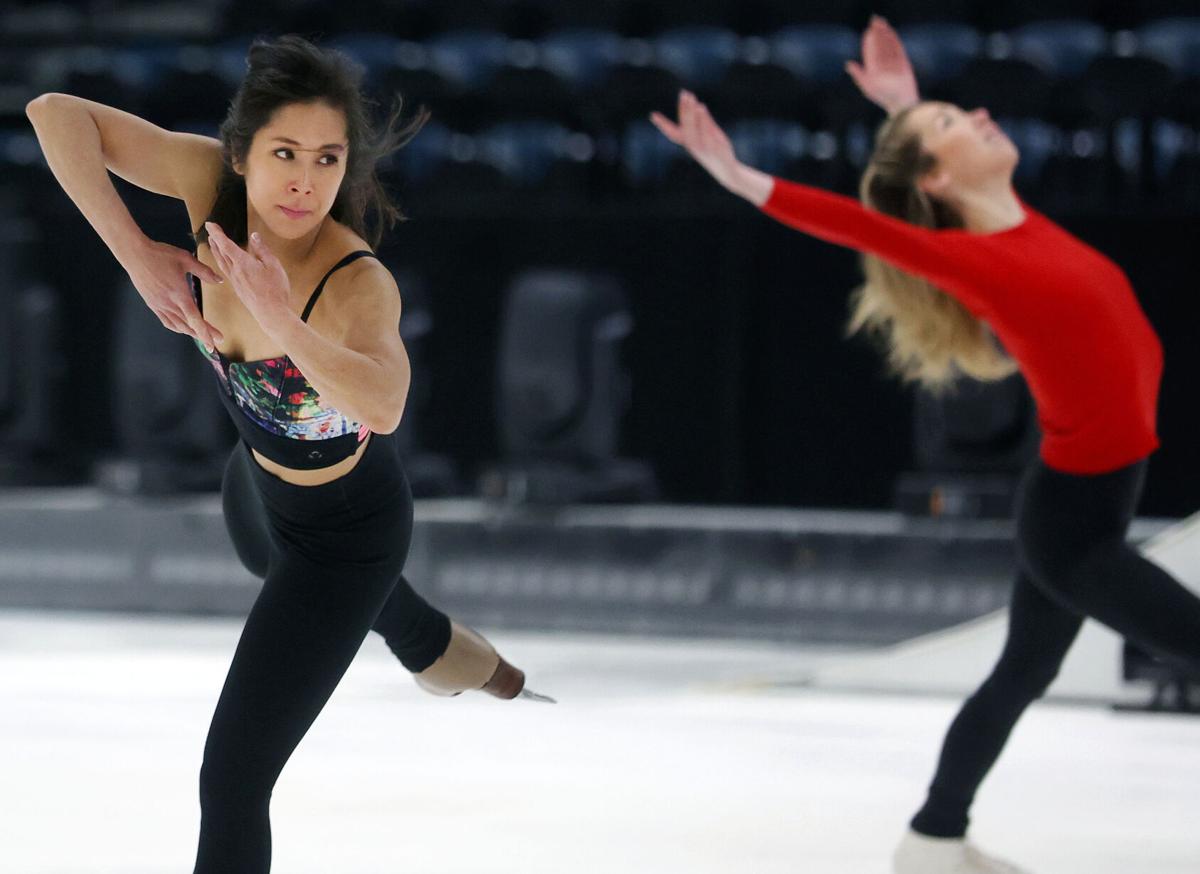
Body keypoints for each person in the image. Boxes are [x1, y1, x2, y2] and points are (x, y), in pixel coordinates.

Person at [652, 15, 1200, 874]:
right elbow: (862, 224)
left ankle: (933, 837)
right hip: (1074, 527)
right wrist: (737, 174)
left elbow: (918, 175)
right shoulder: (977, 261)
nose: (979, 112)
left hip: (1085, 499)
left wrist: (909, 106)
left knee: (1020, 677)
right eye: (954, 123)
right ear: (942, 176)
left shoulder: (1021, 226)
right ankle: (933, 840)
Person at [26, 34, 547, 874]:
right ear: (241, 156)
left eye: (328, 159)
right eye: (285, 154)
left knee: (231, 779)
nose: (305, 180)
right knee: (347, 592)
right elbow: (54, 116)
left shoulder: (352, 282)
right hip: (256, 497)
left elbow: (384, 404)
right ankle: (436, 644)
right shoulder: (207, 186)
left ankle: (463, 661)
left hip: (345, 538)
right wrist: (135, 254)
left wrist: (282, 316)